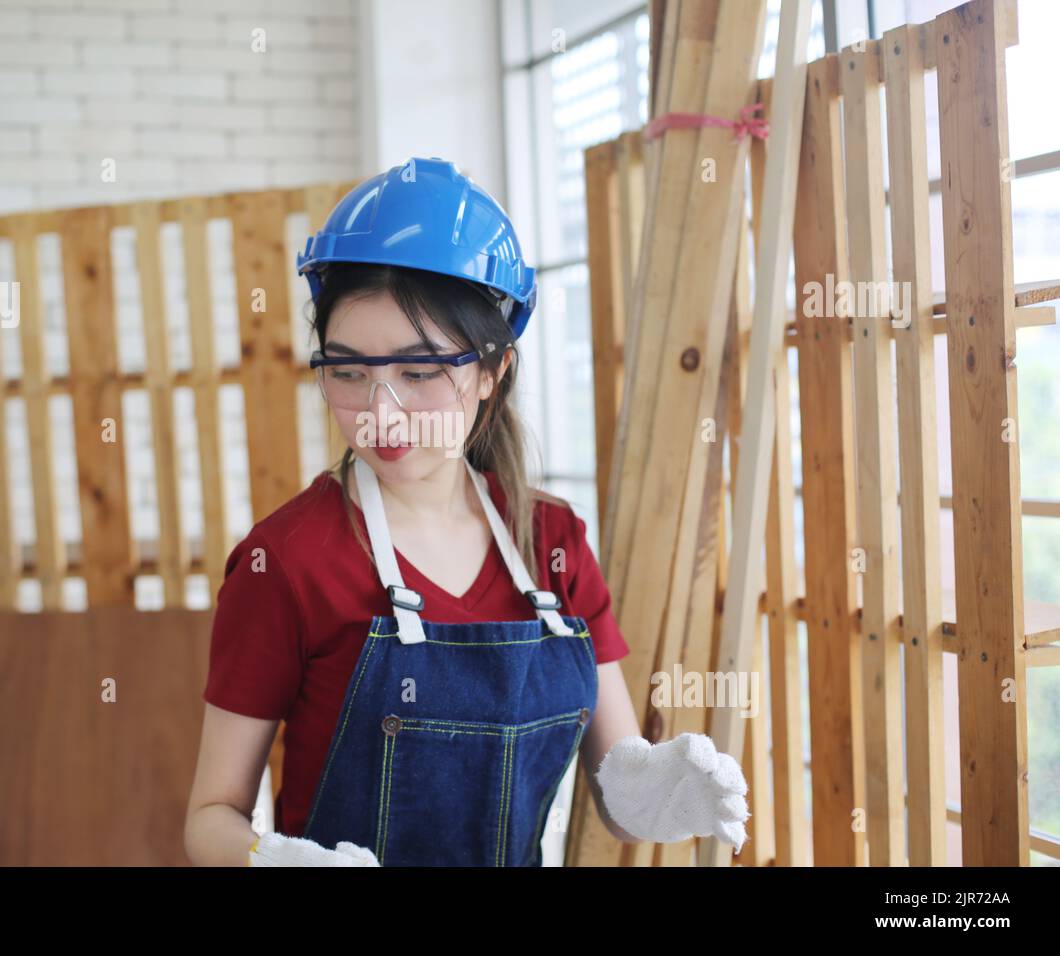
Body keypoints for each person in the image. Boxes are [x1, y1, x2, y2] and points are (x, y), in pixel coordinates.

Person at [183, 158, 749, 867]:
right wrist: (272, 859)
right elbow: (211, 817)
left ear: (493, 372)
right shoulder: (285, 561)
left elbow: (616, 786)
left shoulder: (553, 543)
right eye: (348, 372)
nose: (380, 413)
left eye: (419, 374)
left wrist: (647, 792)